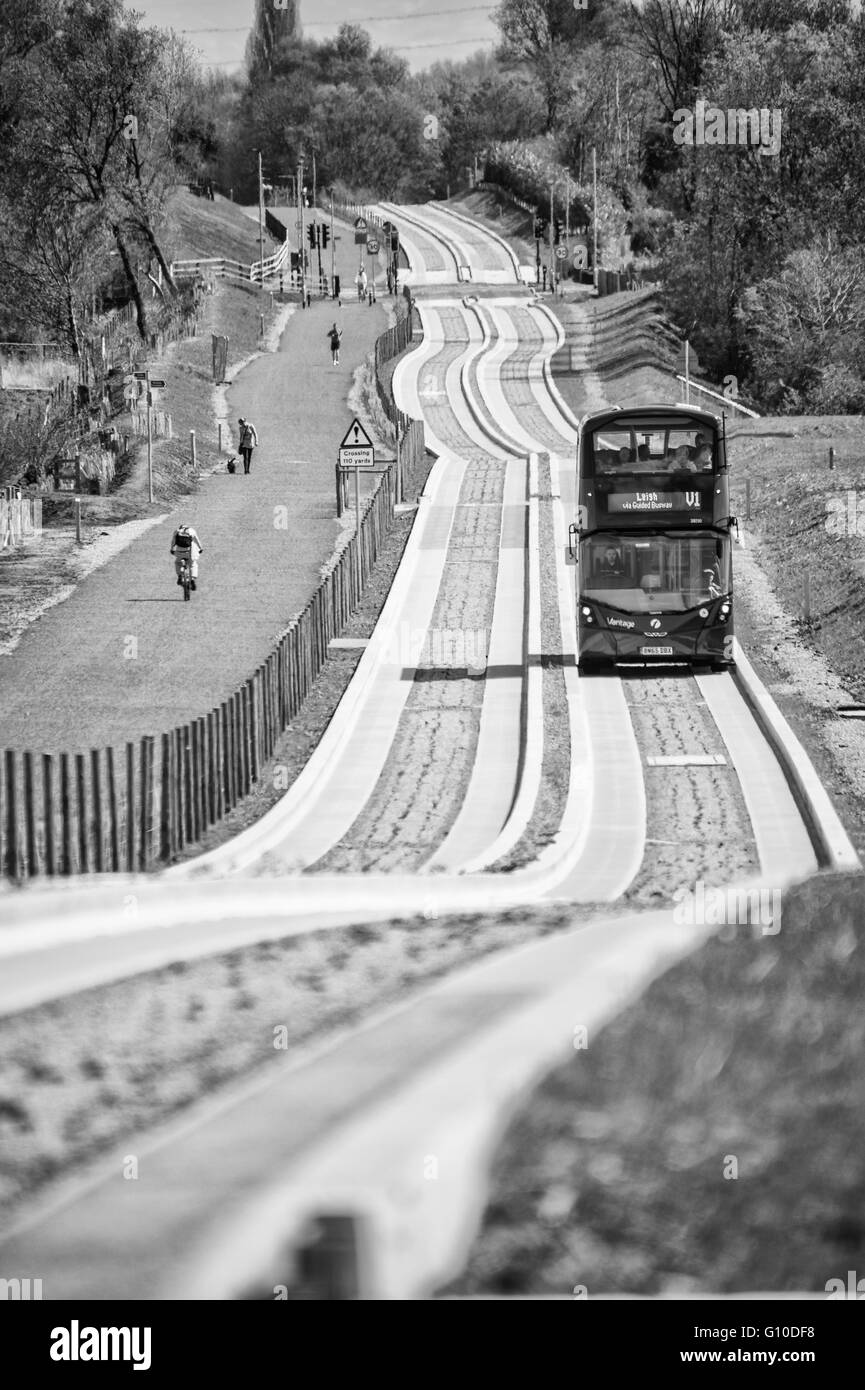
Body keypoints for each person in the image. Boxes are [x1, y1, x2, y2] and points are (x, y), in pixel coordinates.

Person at [170, 522, 203, 591]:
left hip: (179, 551)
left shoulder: (177, 531)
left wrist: (172, 549)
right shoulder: (192, 531)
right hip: (190, 552)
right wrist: (200, 548)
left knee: (178, 563)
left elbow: (173, 541)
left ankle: (179, 575)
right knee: (193, 564)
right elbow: (197, 540)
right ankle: (192, 579)